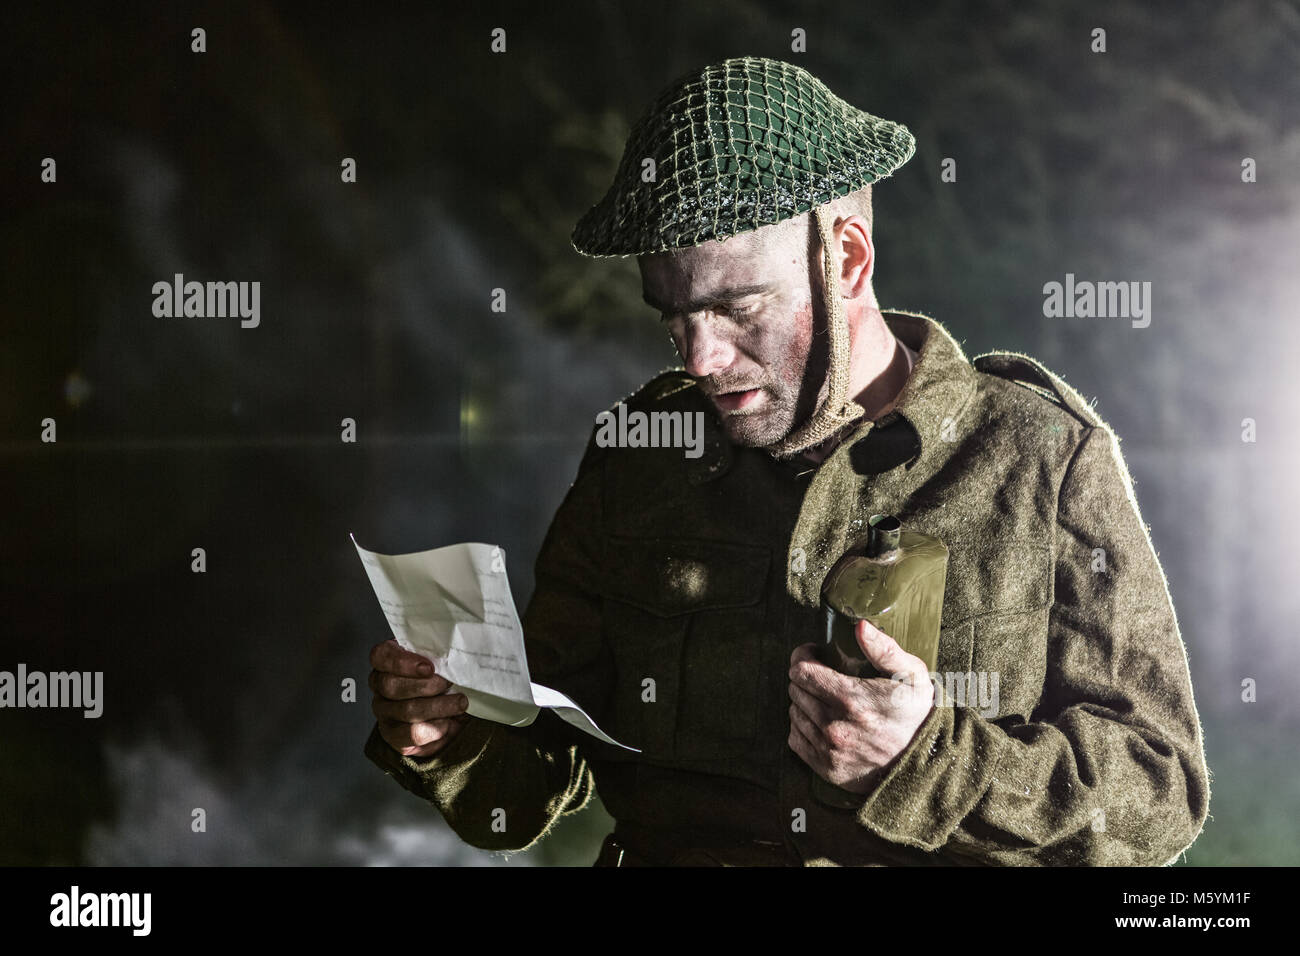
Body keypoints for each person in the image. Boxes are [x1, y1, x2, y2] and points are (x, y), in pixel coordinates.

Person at [364, 56, 1210, 866]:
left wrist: (929, 761)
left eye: (734, 308)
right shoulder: (643, 456)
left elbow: (1158, 795)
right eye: (673, 316)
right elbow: (531, 784)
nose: (699, 358)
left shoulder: (1036, 457)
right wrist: (452, 740)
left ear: (846, 258)